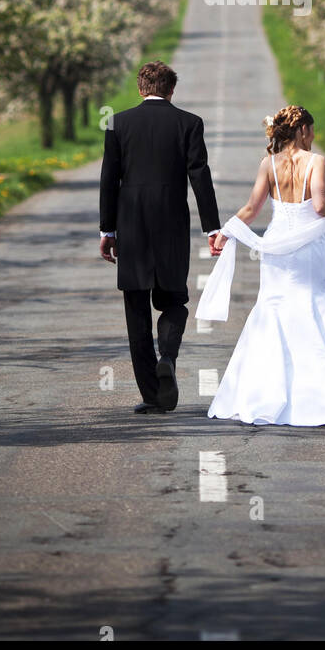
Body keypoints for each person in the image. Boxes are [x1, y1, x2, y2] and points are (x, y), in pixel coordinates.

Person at [201, 105, 325, 427]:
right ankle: (318, 400)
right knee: (311, 305)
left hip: (275, 246)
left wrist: (224, 232)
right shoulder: (316, 162)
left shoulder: (268, 164)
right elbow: (319, 207)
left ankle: (258, 394)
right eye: (312, 130)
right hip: (307, 247)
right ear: (302, 129)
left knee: (272, 308)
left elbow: (251, 208)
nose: (314, 137)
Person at [99, 60, 220, 413]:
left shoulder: (118, 123)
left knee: (136, 309)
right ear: (171, 90)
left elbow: (110, 179)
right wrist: (212, 227)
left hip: (132, 226)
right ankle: (167, 355)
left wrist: (108, 230)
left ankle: (153, 395)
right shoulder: (189, 123)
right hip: (171, 224)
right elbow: (200, 176)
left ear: (141, 88)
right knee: (174, 300)